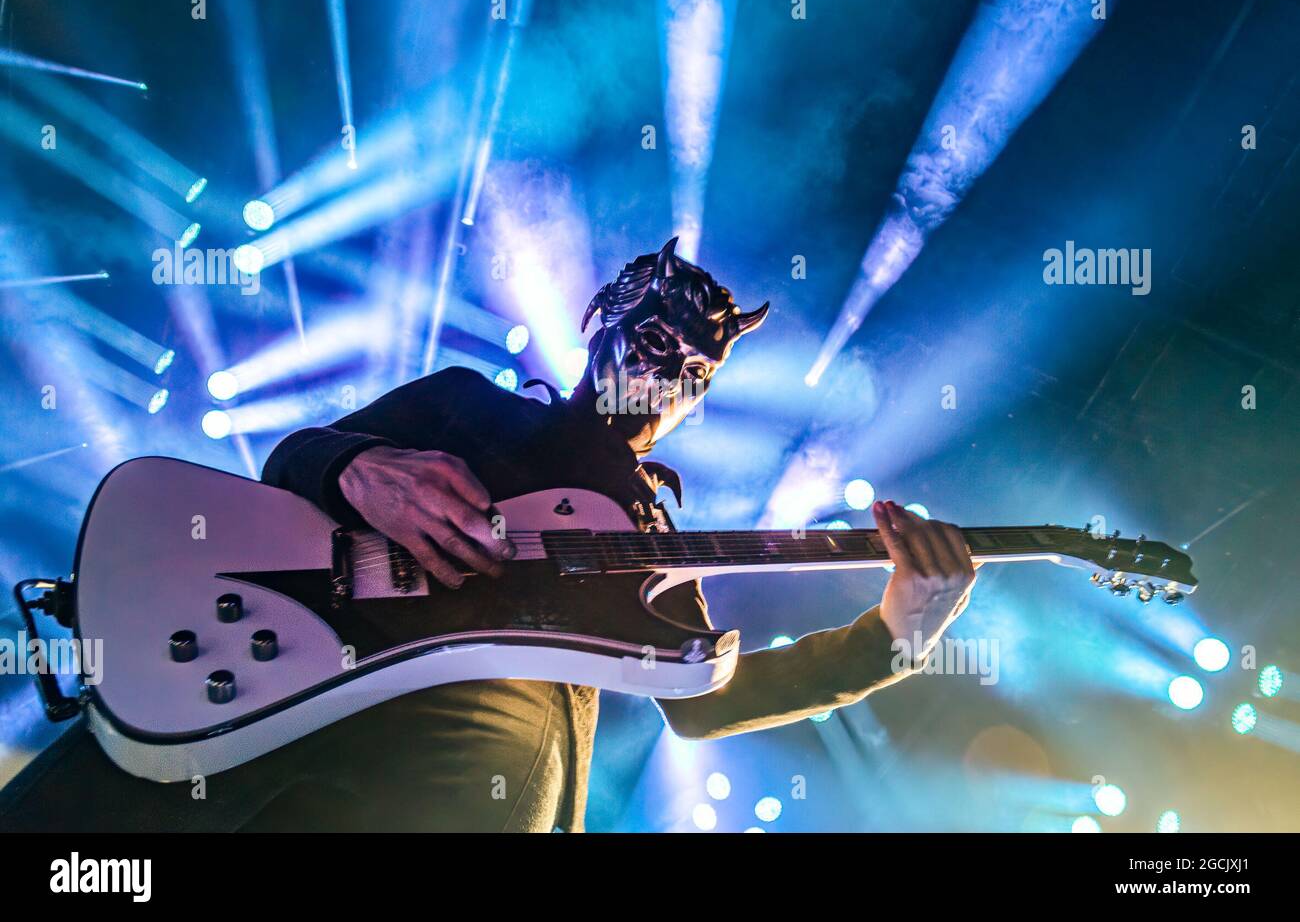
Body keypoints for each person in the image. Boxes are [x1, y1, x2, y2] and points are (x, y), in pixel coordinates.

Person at [0, 238, 976, 832]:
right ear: (603, 324)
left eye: (692, 365)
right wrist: (352, 467)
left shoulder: (650, 534)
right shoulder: (472, 405)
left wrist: (893, 633)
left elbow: (707, 703)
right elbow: (287, 467)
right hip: (254, 692)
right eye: (653, 338)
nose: (668, 368)